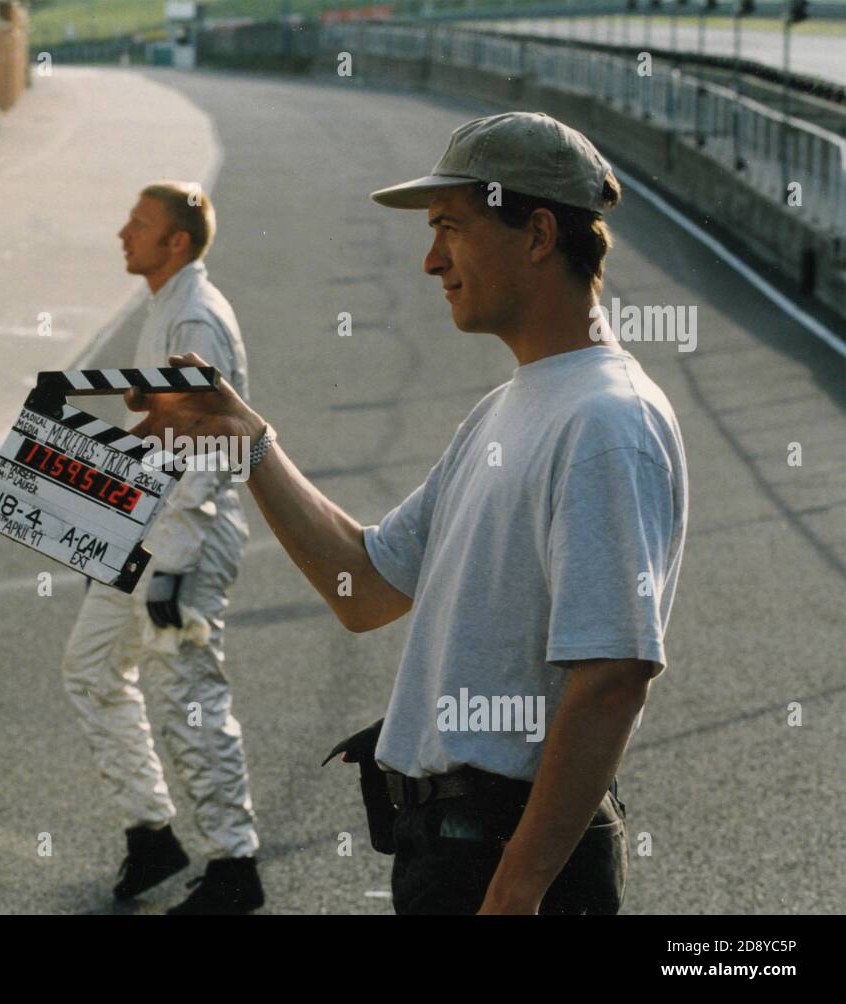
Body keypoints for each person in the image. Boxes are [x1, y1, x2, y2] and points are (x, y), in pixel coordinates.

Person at [124, 113, 689, 915]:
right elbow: (363, 587)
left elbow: (612, 677)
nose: (431, 261)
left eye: (451, 229)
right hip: (453, 856)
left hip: (509, 866)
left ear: (536, 233)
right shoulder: (509, 409)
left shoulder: (606, 422)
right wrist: (247, 444)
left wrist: (515, 892)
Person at [61, 181, 264, 915]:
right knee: (90, 669)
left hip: (187, 542)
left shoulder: (198, 321)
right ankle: (152, 833)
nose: (123, 233)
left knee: (188, 694)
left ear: (175, 242)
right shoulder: (166, 308)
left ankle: (235, 867)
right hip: (146, 533)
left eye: (138, 225)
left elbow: (208, 450)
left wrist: (171, 565)